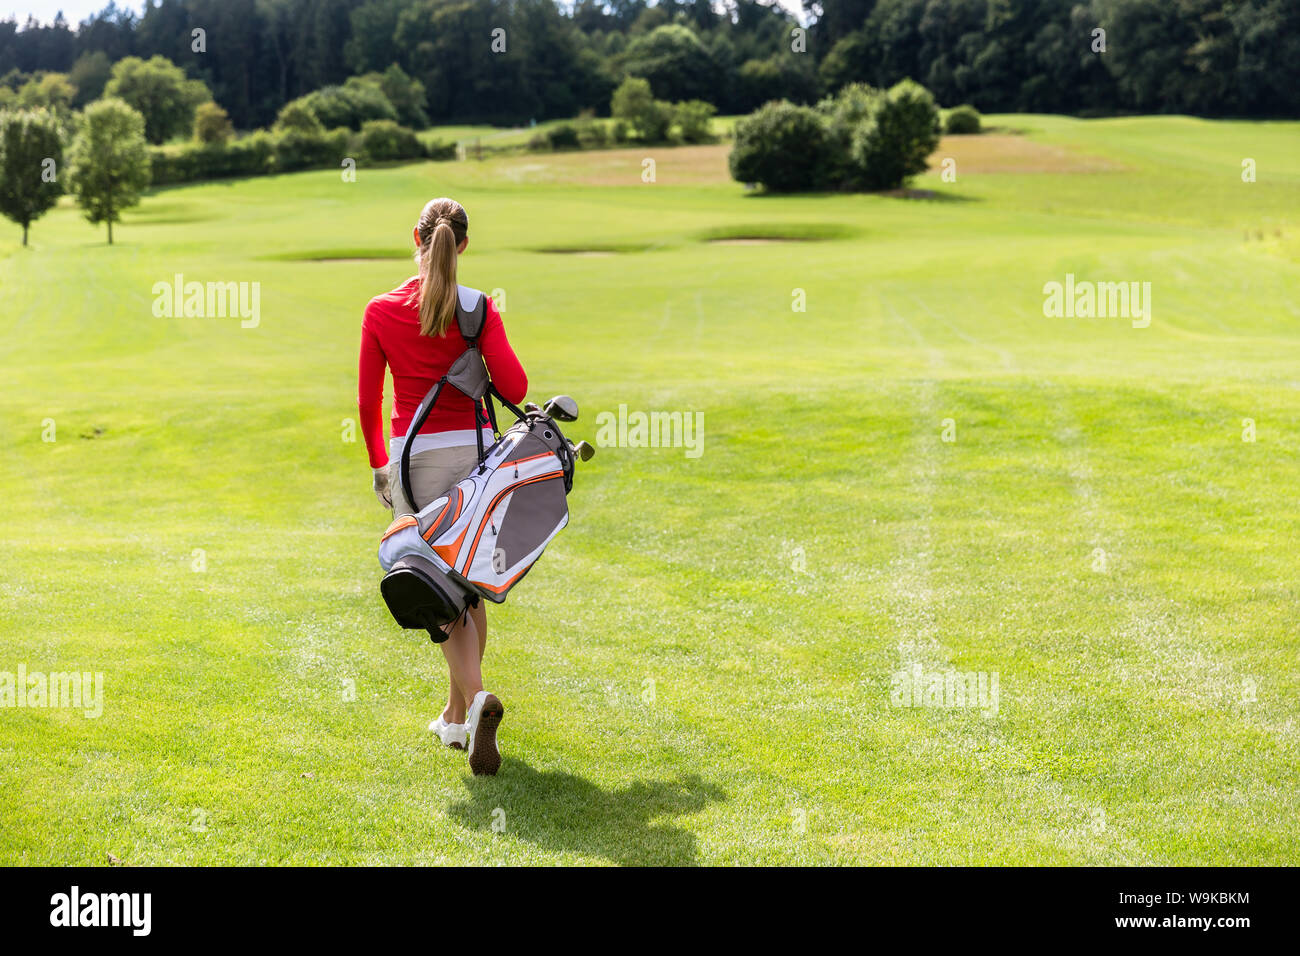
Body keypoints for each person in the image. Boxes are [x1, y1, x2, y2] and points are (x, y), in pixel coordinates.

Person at [358, 197, 527, 775]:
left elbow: (368, 401)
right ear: (464, 245)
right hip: (478, 462)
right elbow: (516, 383)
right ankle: (457, 717)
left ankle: (473, 702)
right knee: (467, 587)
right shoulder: (479, 310)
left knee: (439, 591)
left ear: (417, 237)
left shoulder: (381, 309)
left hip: (416, 462)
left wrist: (380, 464)